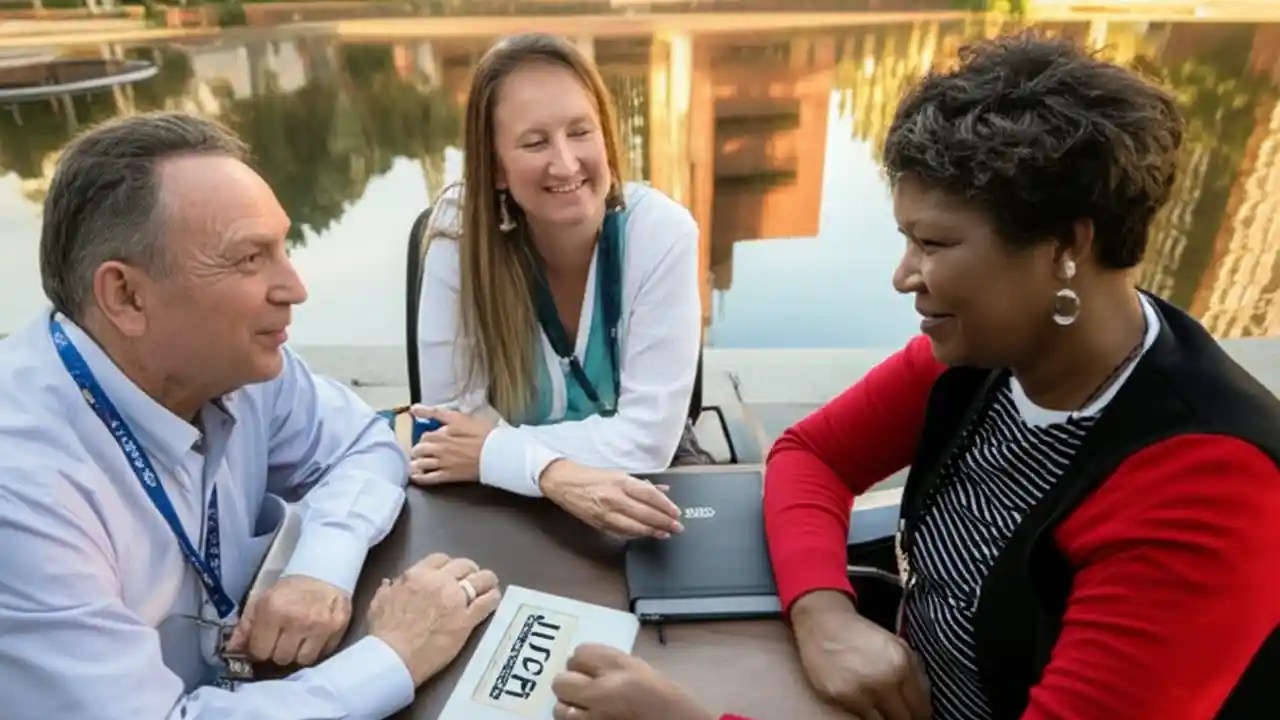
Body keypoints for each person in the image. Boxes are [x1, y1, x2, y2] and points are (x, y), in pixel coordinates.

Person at [548, 32, 1280, 720]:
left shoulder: (1207, 492)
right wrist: (824, 614)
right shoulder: (994, 353)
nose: (904, 276)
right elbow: (813, 455)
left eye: (933, 243)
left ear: (1065, 246)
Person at [0, 112, 501, 719]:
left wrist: (320, 568)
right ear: (127, 296)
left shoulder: (232, 366)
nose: (294, 286)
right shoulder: (23, 490)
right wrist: (394, 656)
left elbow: (366, 445)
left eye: (282, 248)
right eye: (248, 259)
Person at [410, 33, 700, 540]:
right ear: (496, 167)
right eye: (535, 142)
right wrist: (550, 475)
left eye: (580, 132)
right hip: (497, 496)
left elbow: (650, 442)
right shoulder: (455, 234)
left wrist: (497, 451)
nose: (566, 164)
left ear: (606, 137)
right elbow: (450, 425)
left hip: (641, 482)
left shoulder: (662, 234)